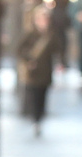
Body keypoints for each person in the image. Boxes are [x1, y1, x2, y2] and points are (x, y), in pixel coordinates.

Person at [17, 7, 60, 136]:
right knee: (34, 95)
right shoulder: (30, 34)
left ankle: (39, 118)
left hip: (45, 71)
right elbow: (20, 50)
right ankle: (35, 118)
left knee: (43, 95)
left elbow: (57, 49)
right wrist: (28, 60)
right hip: (33, 72)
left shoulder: (51, 35)